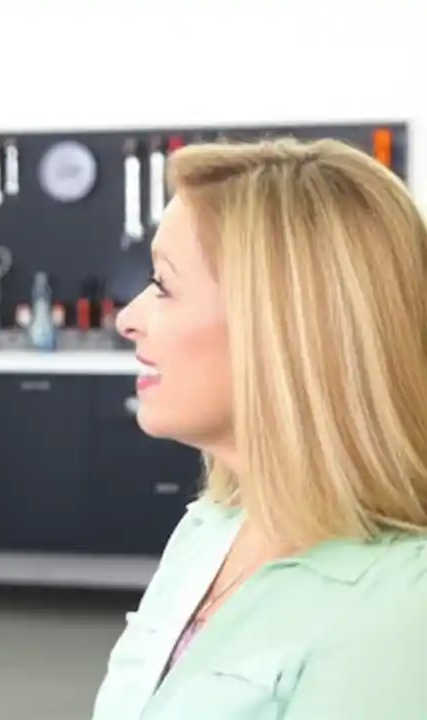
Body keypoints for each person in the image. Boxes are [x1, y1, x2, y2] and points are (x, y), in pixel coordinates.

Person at [92, 136, 427, 719]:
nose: (127, 318)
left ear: (281, 326)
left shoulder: (403, 610)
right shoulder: (211, 528)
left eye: (164, 285)